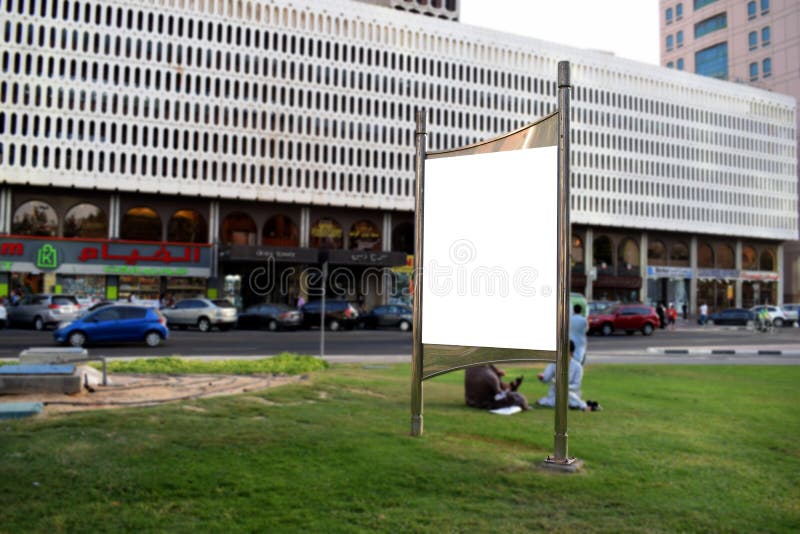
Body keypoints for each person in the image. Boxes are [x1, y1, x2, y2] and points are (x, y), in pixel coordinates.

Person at [536, 341, 600, 412]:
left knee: (565, 396)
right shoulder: (554, 363)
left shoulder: (578, 367)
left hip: (573, 394)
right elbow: (546, 378)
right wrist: (542, 377)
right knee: (557, 401)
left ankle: (583, 406)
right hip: (556, 393)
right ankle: (585, 405)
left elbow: (577, 386)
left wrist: (564, 387)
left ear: (571, 353)